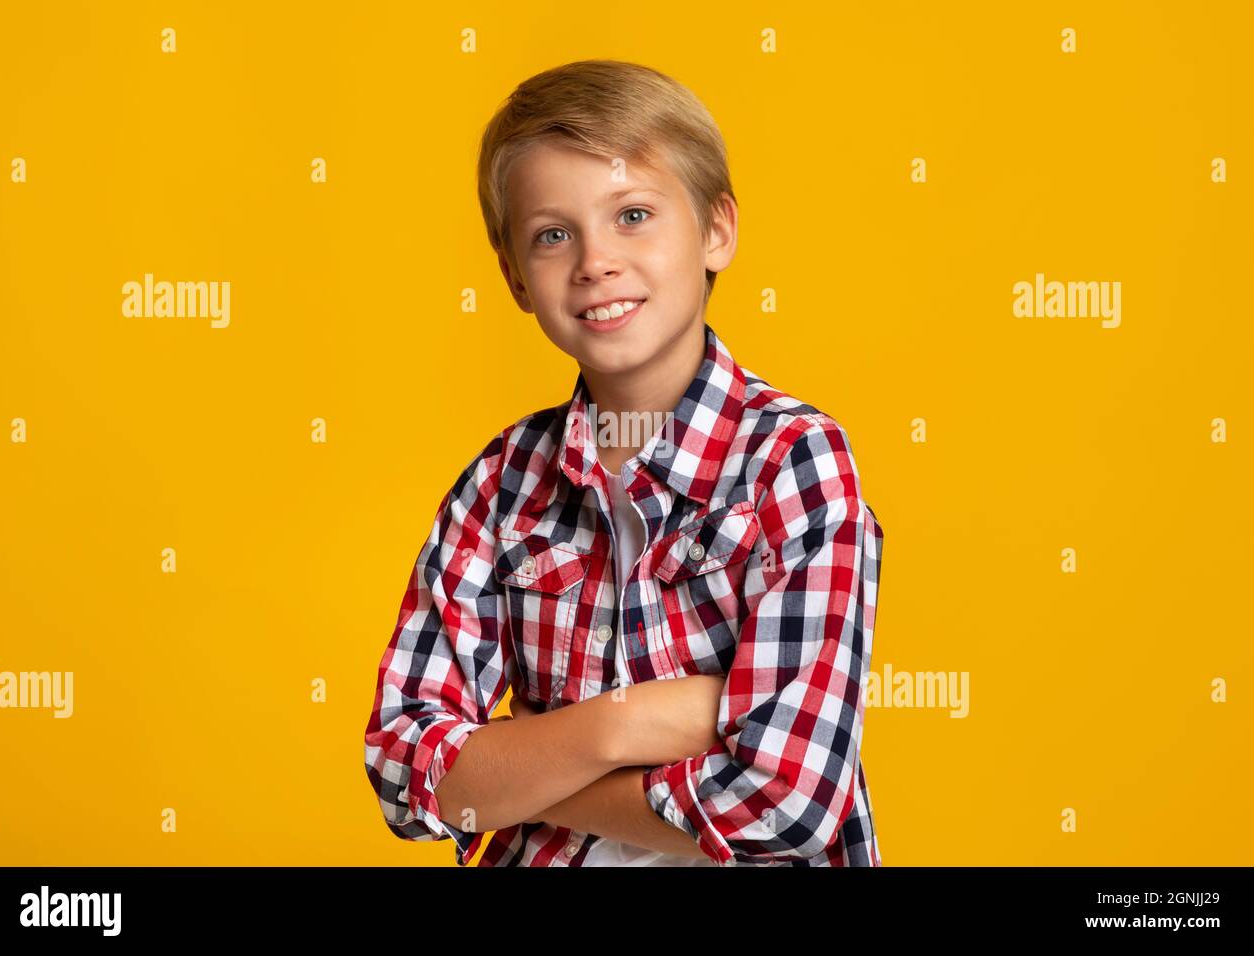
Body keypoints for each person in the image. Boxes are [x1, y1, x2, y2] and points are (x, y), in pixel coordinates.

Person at [364, 59, 884, 867]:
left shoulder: (793, 462)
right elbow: (406, 772)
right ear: (513, 276)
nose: (594, 261)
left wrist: (523, 777)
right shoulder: (501, 486)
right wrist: (624, 724)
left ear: (717, 231)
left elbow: (786, 803)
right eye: (552, 234)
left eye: (633, 214)